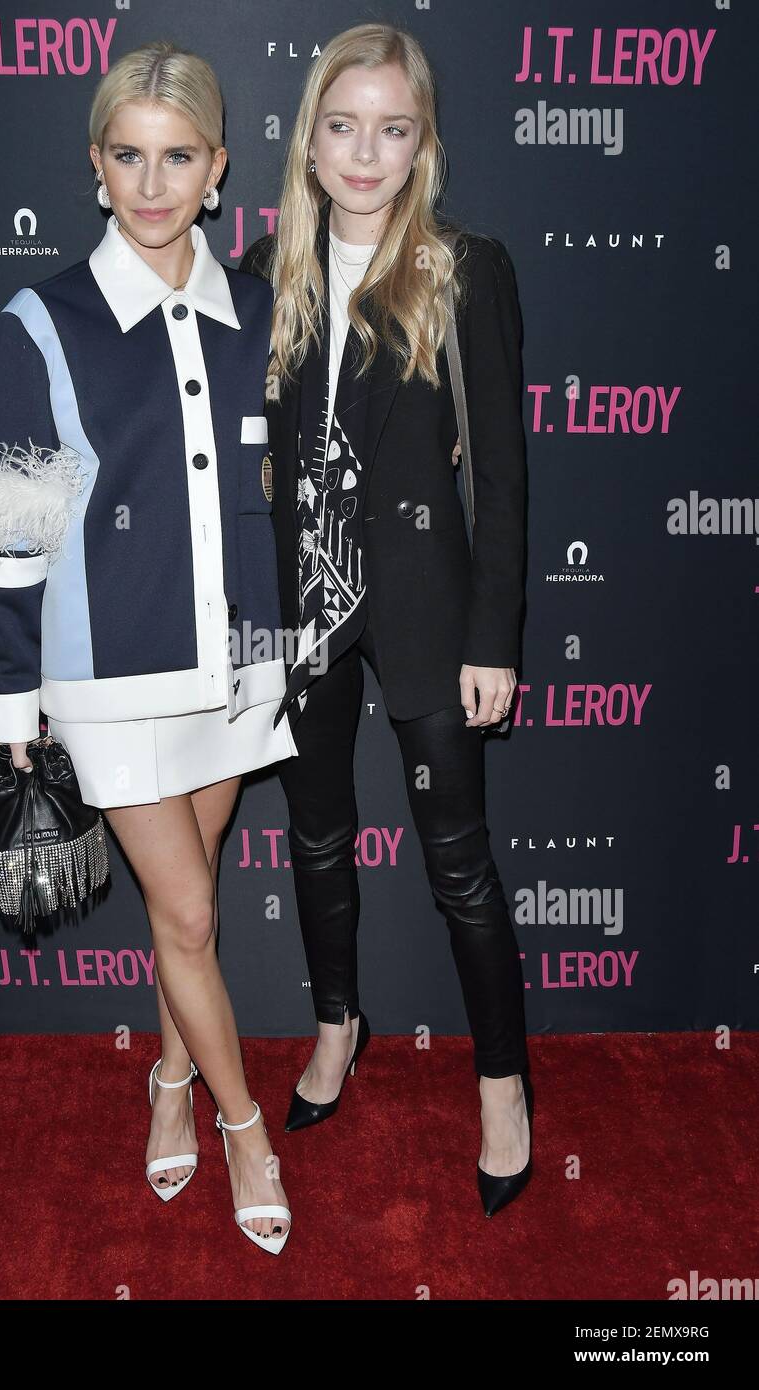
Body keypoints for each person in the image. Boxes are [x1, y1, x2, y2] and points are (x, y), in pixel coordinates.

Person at [0, 41, 297, 1253]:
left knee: (193, 913)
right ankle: (244, 1123)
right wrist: (8, 711)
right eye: (128, 156)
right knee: (186, 917)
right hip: (110, 673)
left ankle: (172, 1080)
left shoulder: (254, 306)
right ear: (95, 167)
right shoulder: (43, 320)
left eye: (177, 156)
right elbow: (16, 534)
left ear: (218, 167)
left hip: (236, 663)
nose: (152, 181)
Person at [240, 22, 534, 1216]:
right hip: (302, 605)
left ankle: (504, 1088)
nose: (366, 153)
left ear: (423, 147)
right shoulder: (264, 269)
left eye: (393, 129)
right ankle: (334, 1024)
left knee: (459, 864)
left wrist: (493, 639)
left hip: (424, 604)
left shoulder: (467, 267)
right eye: (343, 125)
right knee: (315, 836)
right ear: (309, 139)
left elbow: (503, 474)